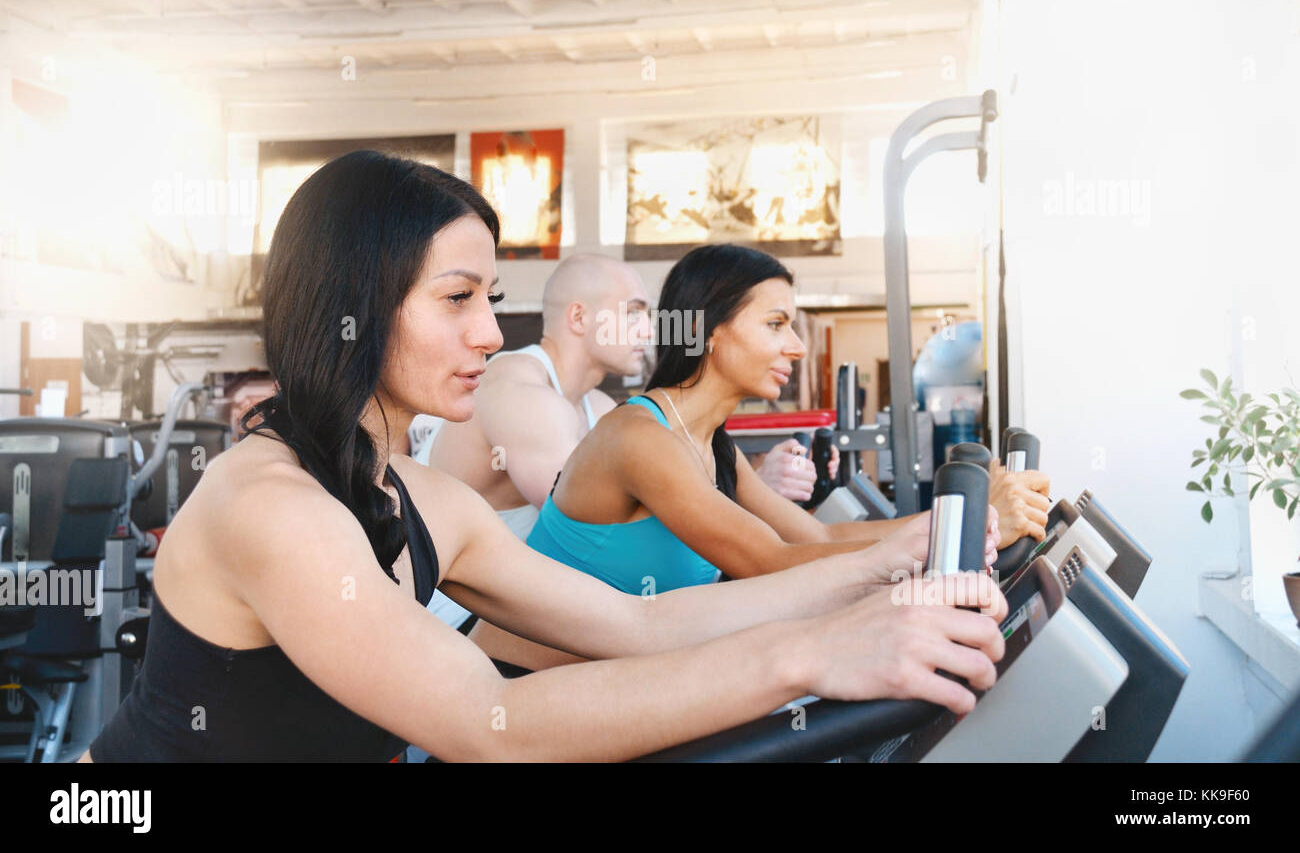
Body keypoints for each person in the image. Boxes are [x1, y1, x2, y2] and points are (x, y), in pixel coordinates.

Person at [81, 151, 1006, 762]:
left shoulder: (426, 498)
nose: (490, 331)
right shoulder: (273, 505)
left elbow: (640, 626)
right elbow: (499, 726)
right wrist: (810, 655)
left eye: (492, 296)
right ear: (351, 307)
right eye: (457, 298)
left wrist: (893, 565)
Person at [471, 244, 1035, 670]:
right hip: (516, 692)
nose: (796, 345)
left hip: (613, 687)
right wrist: (966, 529)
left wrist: (969, 519)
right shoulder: (638, 438)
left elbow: (814, 542)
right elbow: (769, 563)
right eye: (776, 325)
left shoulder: (714, 448)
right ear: (705, 332)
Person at [416, 253, 842, 629]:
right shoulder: (523, 395)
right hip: (458, 625)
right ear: (580, 319)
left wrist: (750, 486)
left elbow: (643, 513)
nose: (650, 328)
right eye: (633, 313)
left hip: (538, 612)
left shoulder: (598, 406)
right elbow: (581, 530)